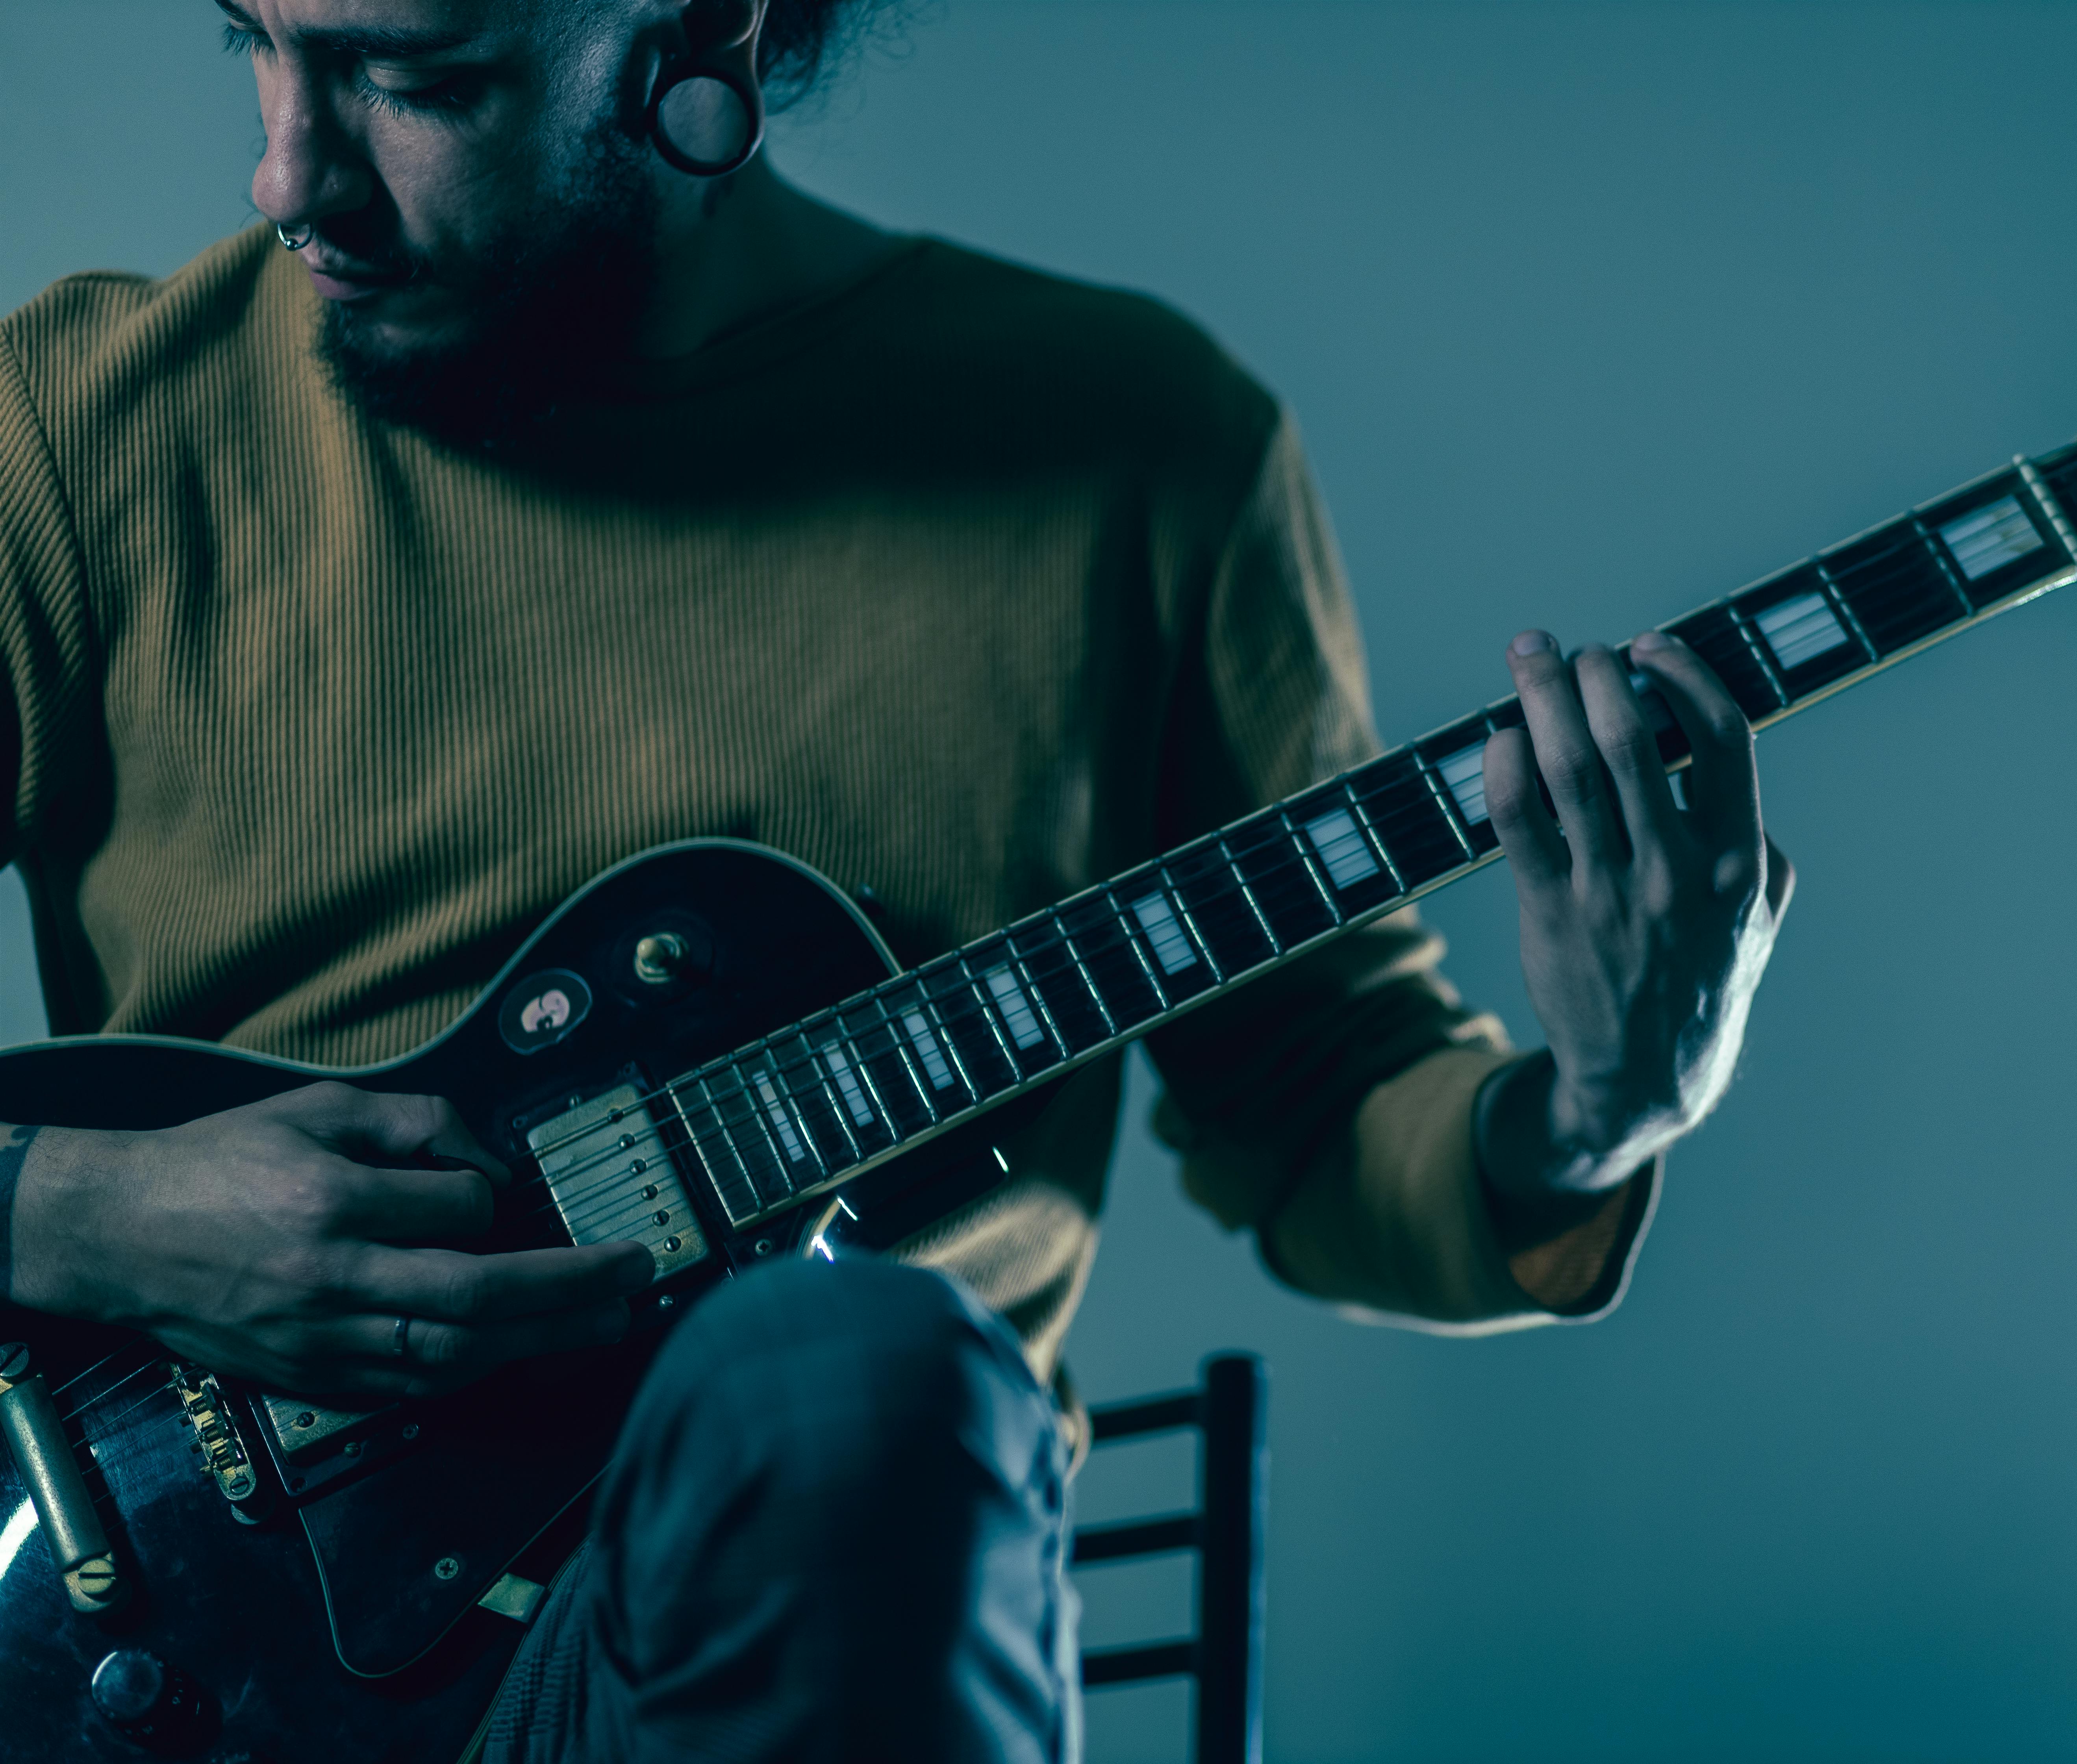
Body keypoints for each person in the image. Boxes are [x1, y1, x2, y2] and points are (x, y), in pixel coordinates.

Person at [0, 1, 1790, 1757]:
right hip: (171, 1673)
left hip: (801, 1642)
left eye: (413, 75)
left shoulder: (1136, 449)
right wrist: (70, 1207)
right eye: (251, 36)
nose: (283, 174)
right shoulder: (83, 436)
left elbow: (1325, 1107)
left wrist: (1599, 1111)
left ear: (695, 31)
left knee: (853, 1369)